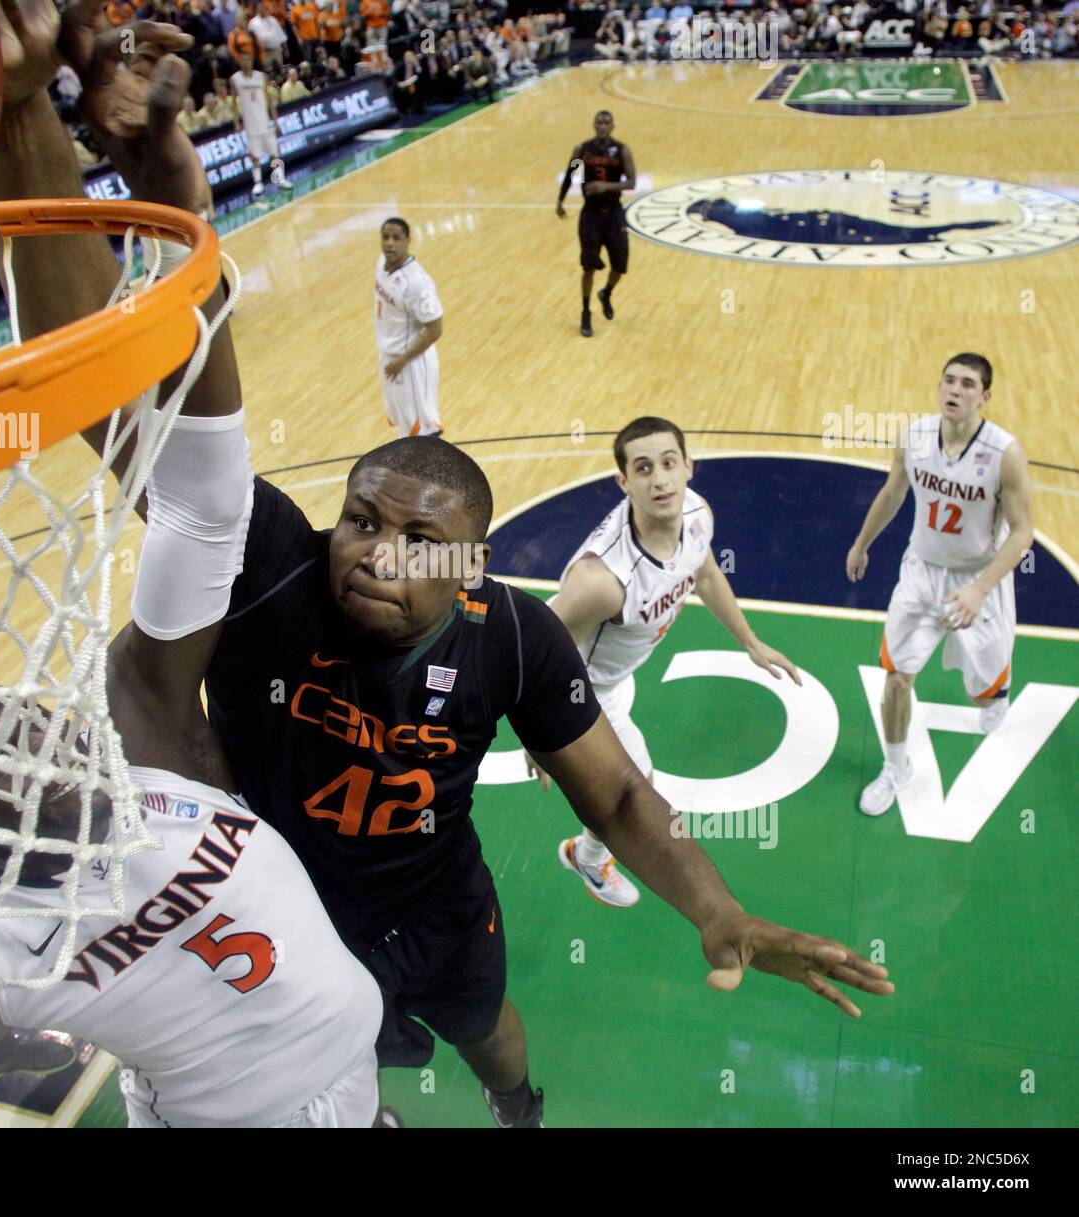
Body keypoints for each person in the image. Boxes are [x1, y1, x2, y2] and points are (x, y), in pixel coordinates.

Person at [0, 0, 384, 1129]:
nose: (22, 714)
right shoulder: (1, 953)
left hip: (366, 1020)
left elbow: (191, 488)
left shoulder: (156, 752)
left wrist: (99, 173)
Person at [203, 351, 894, 1124]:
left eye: (421, 539)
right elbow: (164, 432)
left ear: (471, 566)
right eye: (361, 521)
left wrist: (718, 911)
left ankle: (517, 1106)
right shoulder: (276, 567)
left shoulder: (511, 635)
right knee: (322, 1057)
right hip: (283, 901)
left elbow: (622, 792)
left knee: (485, 1027)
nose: (377, 553)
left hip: (436, 903)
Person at [530, 418, 801, 907]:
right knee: (637, 792)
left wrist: (751, 642)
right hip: (581, 690)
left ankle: (586, 852)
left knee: (622, 787)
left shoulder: (697, 514)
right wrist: (541, 734)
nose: (659, 480)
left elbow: (706, 575)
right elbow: (542, 647)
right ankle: (589, 857)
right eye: (643, 468)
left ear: (688, 467)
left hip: (616, 673)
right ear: (623, 482)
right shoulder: (601, 580)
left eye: (669, 463)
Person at [847, 354, 1033, 816]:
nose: (955, 390)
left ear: (984, 397)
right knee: (896, 677)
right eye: (949, 380)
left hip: (978, 577)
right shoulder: (915, 437)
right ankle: (895, 768)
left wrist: (980, 589)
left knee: (983, 693)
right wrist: (862, 543)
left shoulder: (1004, 453)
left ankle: (996, 693)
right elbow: (893, 491)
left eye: (968, 384)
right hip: (921, 573)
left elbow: (1024, 532)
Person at [557, 110, 636, 338]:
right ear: (594, 125)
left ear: (613, 126)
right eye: (599, 123)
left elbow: (631, 183)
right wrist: (560, 201)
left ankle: (606, 293)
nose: (602, 126)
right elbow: (569, 175)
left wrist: (606, 186)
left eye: (606, 123)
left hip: (613, 214)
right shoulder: (582, 149)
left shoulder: (622, 150)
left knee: (620, 266)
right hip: (590, 215)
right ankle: (585, 312)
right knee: (588, 267)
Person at [373, 217, 444, 438]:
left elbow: (435, 328)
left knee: (423, 431)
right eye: (385, 237)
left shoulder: (418, 284)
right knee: (405, 430)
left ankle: (432, 471)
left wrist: (402, 359)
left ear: (408, 240)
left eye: (396, 238)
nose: (390, 243)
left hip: (411, 363)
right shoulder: (380, 265)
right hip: (390, 358)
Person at [230, 49, 294, 196]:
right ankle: (258, 183)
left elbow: (269, 100)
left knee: (274, 153)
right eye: (243, 59)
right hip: (250, 125)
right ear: (239, 62)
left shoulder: (261, 77)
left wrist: (275, 119)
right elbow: (233, 103)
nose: (246, 62)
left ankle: (280, 179)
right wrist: (236, 122)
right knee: (255, 156)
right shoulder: (235, 79)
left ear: (252, 61)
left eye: (248, 59)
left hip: (265, 122)